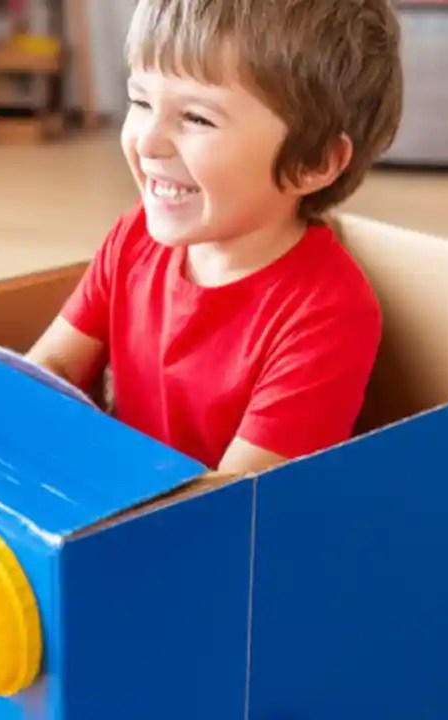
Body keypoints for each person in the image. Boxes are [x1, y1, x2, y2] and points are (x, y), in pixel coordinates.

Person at [26, 0, 403, 473]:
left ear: (314, 162)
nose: (147, 142)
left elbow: (238, 508)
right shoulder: (134, 236)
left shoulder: (326, 313)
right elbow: (50, 367)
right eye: (140, 102)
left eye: (196, 118)